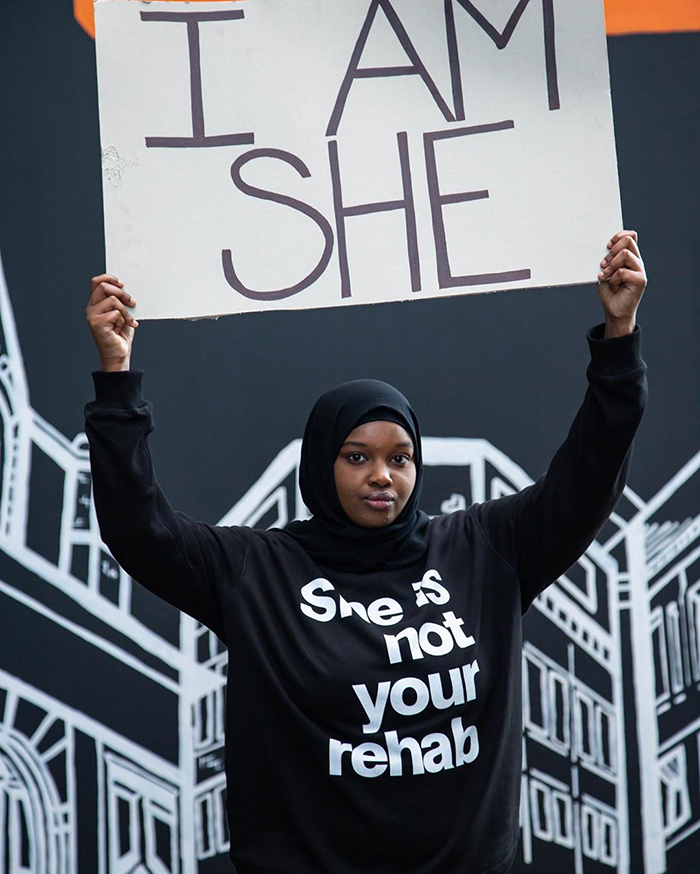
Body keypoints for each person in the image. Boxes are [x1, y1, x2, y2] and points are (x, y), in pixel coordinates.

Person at [85, 230, 647, 874]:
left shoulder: (486, 550)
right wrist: (117, 380)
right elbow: (137, 528)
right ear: (321, 466)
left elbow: (589, 478)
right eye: (358, 458)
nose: (383, 476)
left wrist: (619, 336)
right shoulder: (258, 572)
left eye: (399, 458)